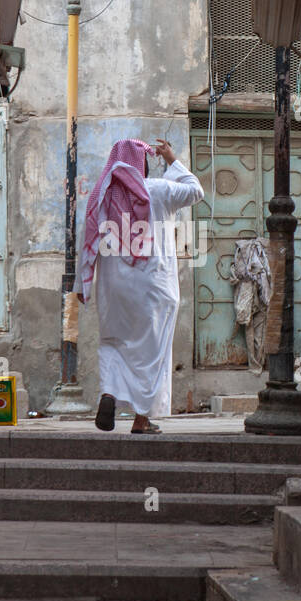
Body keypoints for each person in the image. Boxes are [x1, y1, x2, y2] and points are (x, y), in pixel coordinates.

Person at [77, 136, 204, 433]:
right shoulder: (157, 189)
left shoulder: (101, 195)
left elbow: (89, 243)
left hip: (113, 289)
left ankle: (109, 393)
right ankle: (141, 419)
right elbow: (195, 190)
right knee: (152, 351)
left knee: (112, 344)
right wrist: (172, 159)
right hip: (153, 286)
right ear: (143, 164)